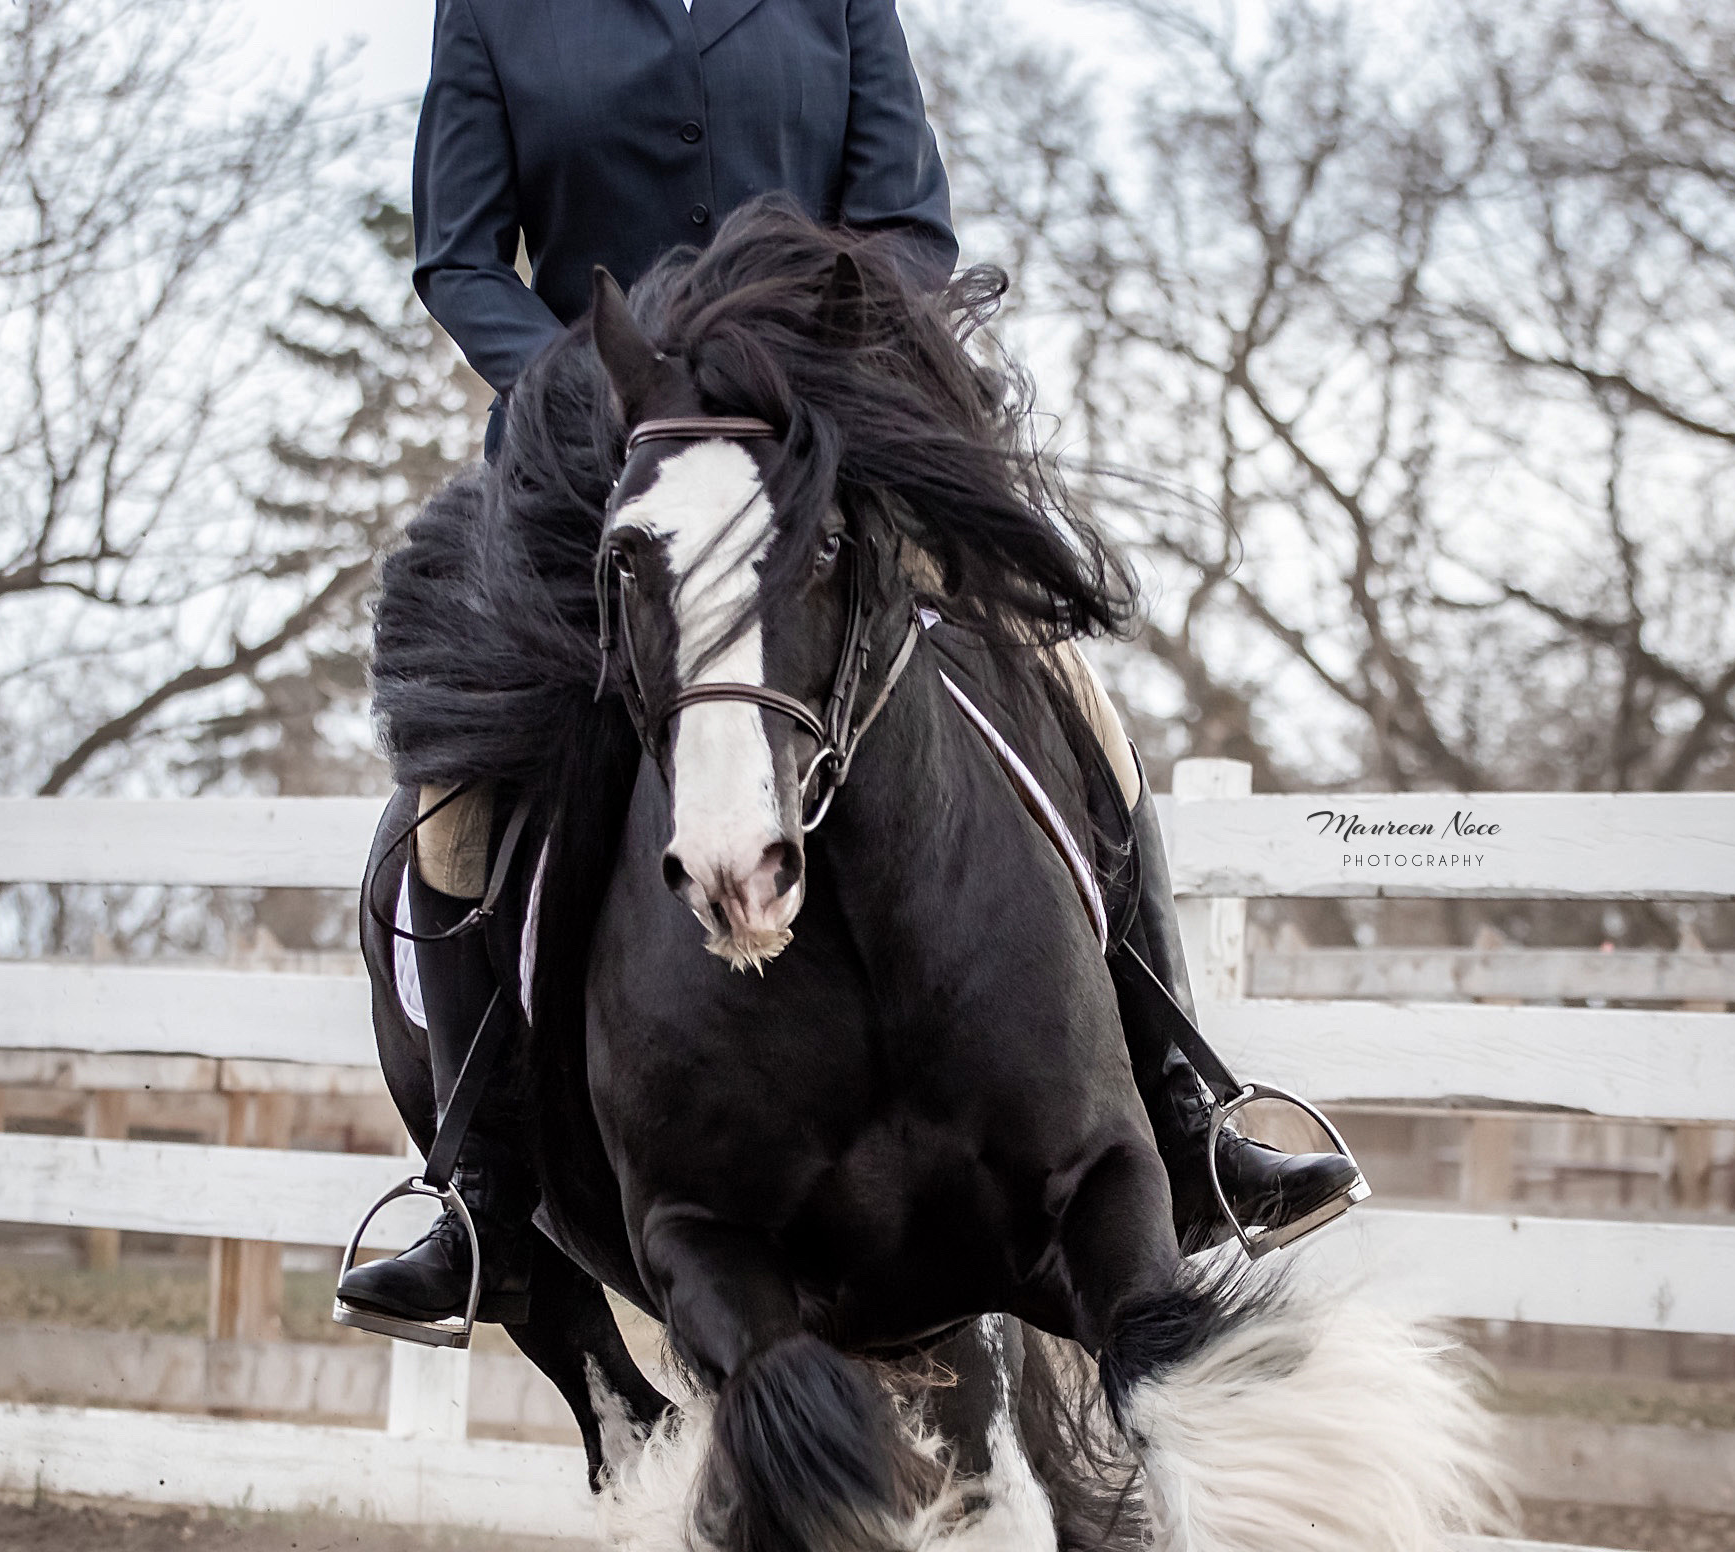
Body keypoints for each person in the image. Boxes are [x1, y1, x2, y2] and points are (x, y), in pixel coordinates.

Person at [336, 0, 1356, 1340]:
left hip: (822, 449)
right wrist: (611, 392)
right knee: (458, 783)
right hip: (600, 467)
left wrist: (807, 367)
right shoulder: (496, 15)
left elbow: (910, 226)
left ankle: (1181, 1102)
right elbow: (462, 261)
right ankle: (480, 1190)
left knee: (1065, 693)